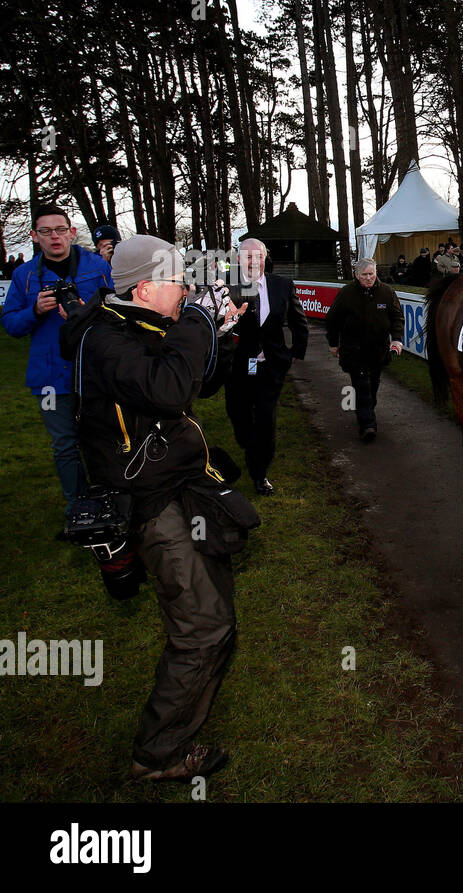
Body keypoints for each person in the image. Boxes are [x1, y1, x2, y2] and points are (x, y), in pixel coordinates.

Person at [60, 234, 250, 781]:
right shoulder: (104, 340)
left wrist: (222, 337)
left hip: (180, 488)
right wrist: (197, 319)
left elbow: (192, 386)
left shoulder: (132, 325)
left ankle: (165, 741)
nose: (186, 289)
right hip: (154, 503)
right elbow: (166, 389)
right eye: (177, 282)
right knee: (203, 631)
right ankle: (158, 755)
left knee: (211, 619)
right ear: (144, 290)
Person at [2, 204, 113, 531]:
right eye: (46, 231)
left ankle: (110, 502)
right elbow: (10, 325)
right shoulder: (24, 276)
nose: (55, 237)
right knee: (65, 445)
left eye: (60, 230)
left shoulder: (98, 266)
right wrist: (34, 311)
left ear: (72, 232)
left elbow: (118, 313)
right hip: (51, 378)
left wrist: (84, 312)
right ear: (35, 236)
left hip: (96, 373)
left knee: (103, 440)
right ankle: (78, 510)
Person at [225, 238, 308, 495]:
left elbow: (298, 320)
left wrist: (295, 352)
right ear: (239, 259)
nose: (253, 262)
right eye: (248, 257)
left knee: (265, 417)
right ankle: (247, 442)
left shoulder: (282, 285)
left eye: (258, 257)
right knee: (239, 413)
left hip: (271, 365)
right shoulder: (226, 285)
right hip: (238, 365)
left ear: (265, 258)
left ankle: (260, 472)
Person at [325, 259, 404, 441]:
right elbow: (333, 320)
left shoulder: (387, 292)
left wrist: (397, 339)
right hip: (354, 349)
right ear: (356, 275)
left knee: (373, 385)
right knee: (361, 386)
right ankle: (368, 425)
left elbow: (397, 317)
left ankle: (366, 413)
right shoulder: (346, 294)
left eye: (371, 274)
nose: (369, 278)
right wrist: (333, 343)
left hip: (378, 349)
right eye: (364, 275)